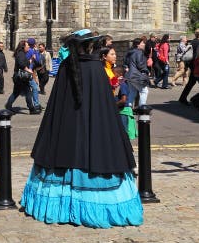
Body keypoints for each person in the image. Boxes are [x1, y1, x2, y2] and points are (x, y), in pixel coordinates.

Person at [20, 30, 143, 228]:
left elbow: (57, 103)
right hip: (96, 126)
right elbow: (104, 104)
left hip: (67, 126)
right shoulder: (96, 67)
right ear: (89, 46)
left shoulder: (67, 66)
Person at [5, 40, 38, 114]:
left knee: (16, 92)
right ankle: (32, 109)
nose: (28, 47)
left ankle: (8, 105)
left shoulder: (22, 54)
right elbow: (21, 64)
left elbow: (25, 62)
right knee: (28, 92)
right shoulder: (21, 54)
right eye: (27, 46)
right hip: (20, 77)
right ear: (23, 47)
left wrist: (31, 59)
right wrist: (28, 70)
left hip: (19, 77)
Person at [179, 29, 199, 106]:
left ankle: (182, 98)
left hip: (192, 64)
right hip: (197, 65)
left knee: (192, 82)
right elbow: (198, 55)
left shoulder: (192, 42)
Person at [123, 38, 149, 108]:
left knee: (132, 92)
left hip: (129, 75)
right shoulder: (139, 52)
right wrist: (146, 71)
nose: (144, 44)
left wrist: (126, 68)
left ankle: (128, 108)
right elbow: (140, 64)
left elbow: (125, 63)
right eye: (142, 43)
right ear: (138, 45)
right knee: (144, 91)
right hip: (136, 75)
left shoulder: (130, 52)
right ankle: (142, 107)